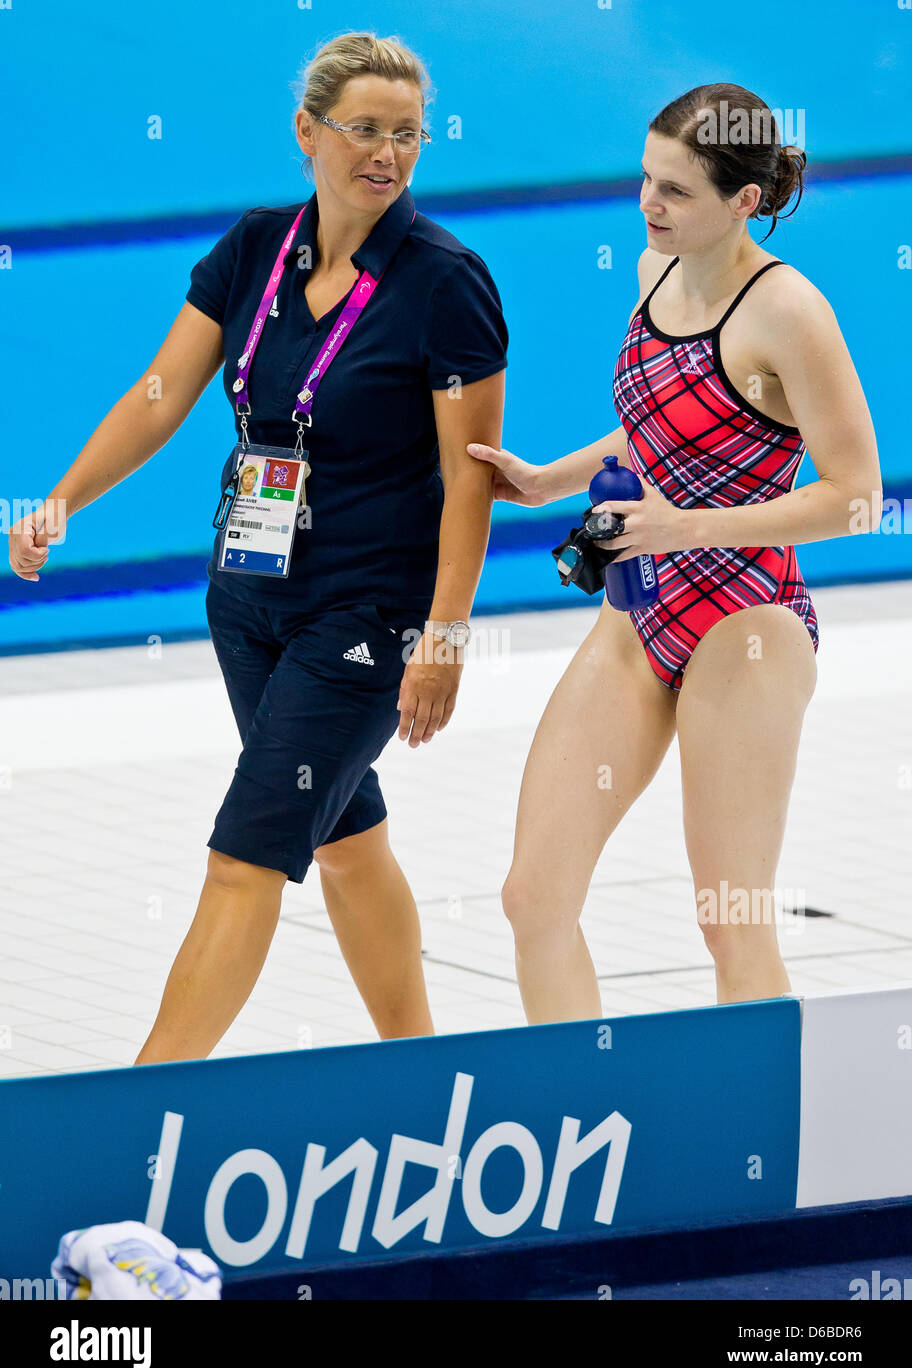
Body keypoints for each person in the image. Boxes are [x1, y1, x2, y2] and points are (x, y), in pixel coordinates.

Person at [8, 32, 508, 1061]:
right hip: (248, 593)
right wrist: (64, 501)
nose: (389, 153)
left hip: (368, 613)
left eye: (407, 134)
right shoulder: (254, 248)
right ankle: (420, 1066)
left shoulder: (447, 282)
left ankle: (139, 1104)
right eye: (364, 130)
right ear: (307, 133)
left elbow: (471, 475)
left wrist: (447, 632)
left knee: (245, 855)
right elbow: (161, 395)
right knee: (345, 837)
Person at [467, 83, 881, 1022]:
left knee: (731, 921)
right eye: (645, 178)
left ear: (745, 200)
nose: (649, 205)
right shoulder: (655, 269)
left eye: (678, 190)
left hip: (748, 626)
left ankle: (768, 1157)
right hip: (640, 608)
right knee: (533, 899)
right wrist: (548, 481)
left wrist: (688, 525)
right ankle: (582, 1131)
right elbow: (655, 428)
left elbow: (855, 496)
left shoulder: (788, 313)